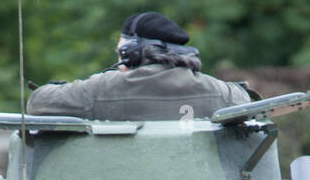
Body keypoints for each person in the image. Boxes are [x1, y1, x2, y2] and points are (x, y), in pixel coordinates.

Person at [26, 11, 256, 121]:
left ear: (132, 54)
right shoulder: (219, 92)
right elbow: (249, 102)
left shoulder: (102, 89)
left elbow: (38, 102)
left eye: (121, 53)